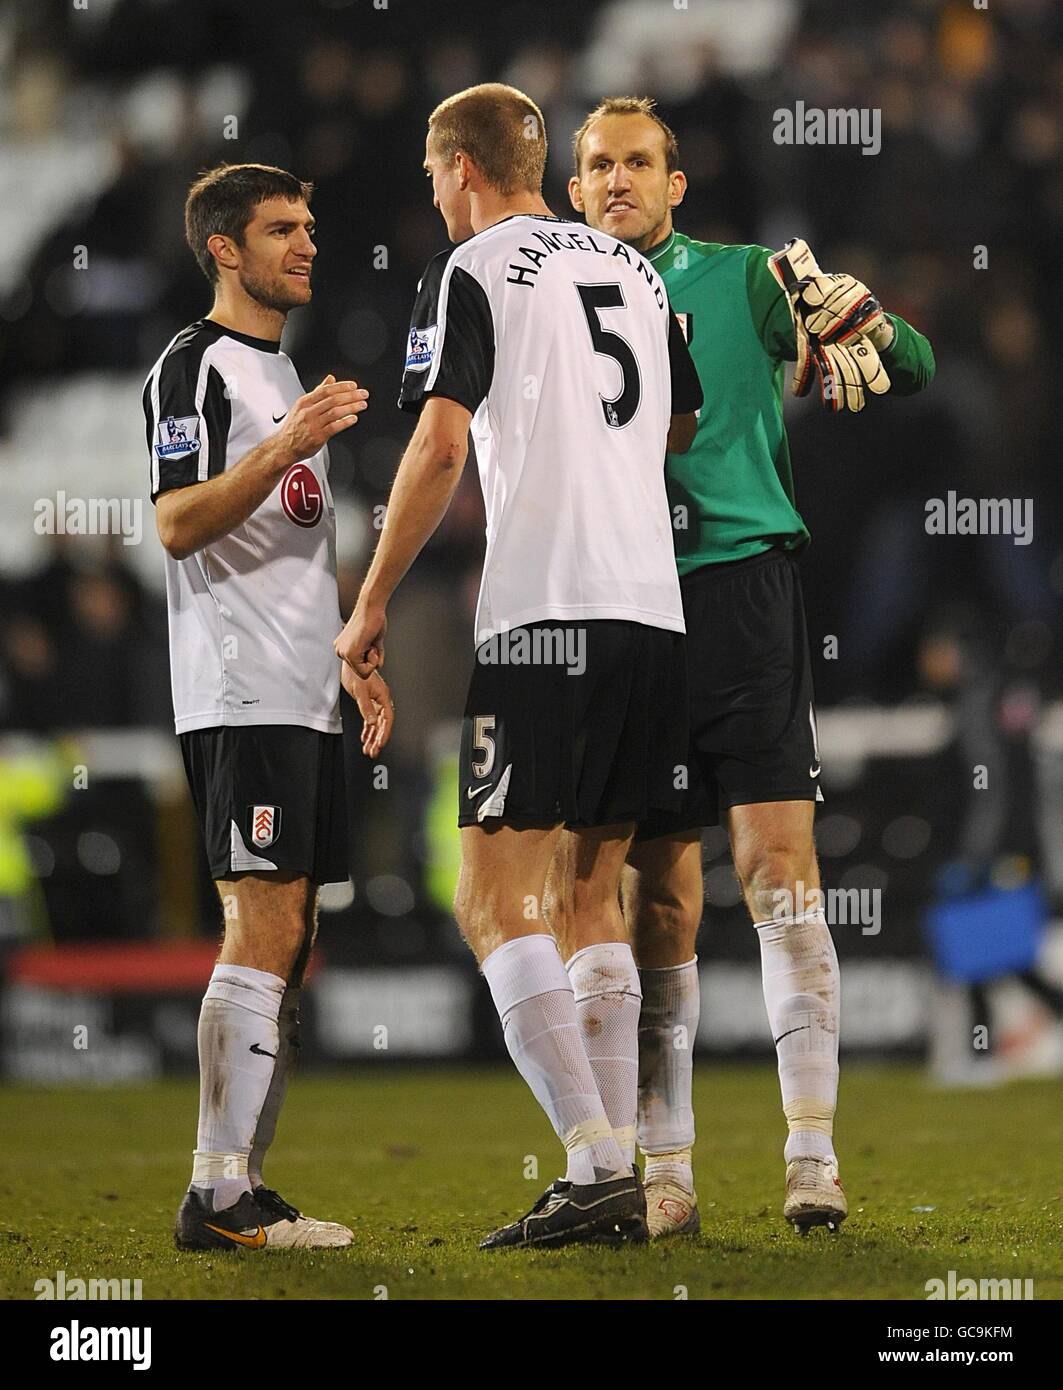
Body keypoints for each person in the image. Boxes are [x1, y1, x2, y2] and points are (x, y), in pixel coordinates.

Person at [334, 84, 702, 1249]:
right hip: (652, 614)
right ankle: (620, 1179)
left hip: (546, 615)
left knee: (492, 899)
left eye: (434, 174)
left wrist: (372, 599)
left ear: (461, 168)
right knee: (590, 896)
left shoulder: (475, 268)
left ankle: (594, 1163)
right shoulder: (635, 271)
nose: (433, 193)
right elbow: (677, 423)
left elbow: (442, 442)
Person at [560, 97, 935, 1236]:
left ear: (676, 184)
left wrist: (860, 319)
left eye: (638, 163)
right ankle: (666, 1171)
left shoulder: (744, 280)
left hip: (744, 592)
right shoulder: (546, 300)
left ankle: (810, 1157)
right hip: (625, 603)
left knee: (778, 871)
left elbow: (906, 364)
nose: (617, 180)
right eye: (596, 166)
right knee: (658, 903)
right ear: (571, 191)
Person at [143, 161, 393, 1251]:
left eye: (310, 228)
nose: (307, 246)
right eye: (281, 229)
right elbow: (178, 522)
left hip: (301, 690)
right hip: (239, 691)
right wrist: (286, 443)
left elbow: (289, 547)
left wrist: (351, 652)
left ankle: (241, 1178)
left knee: (292, 937)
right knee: (262, 922)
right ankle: (217, 1195)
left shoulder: (278, 366)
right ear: (224, 249)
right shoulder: (193, 368)